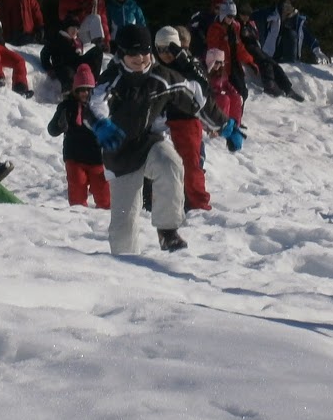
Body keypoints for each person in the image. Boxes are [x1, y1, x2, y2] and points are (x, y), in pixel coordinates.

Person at [88, 23, 242, 254]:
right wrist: (101, 124)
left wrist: (226, 125)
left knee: (171, 164)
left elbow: (196, 99)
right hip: (119, 151)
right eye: (133, 54)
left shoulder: (162, 77)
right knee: (123, 226)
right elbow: (94, 103)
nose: (140, 59)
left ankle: (167, 231)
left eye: (144, 52)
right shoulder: (113, 78)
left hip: (150, 142)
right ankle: (124, 267)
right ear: (121, 54)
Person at [154, 25, 215, 211]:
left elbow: (203, 87)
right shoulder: (159, 66)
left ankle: (197, 201)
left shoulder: (189, 63)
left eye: (169, 49)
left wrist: (183, 58)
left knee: (190, 163)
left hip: (187, 119)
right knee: (164, 162)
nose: (165, 54)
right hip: (163, 118)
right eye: (161, 50)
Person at [47, 64, 111, 209]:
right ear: (75, 90)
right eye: (80, 90)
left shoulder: (101, 106)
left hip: (97, 159)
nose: (84, 93)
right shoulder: (66, 107)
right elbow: (52, 130)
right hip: (74, 157)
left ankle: (104, 223)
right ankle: (77, 222)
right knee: (77, 193)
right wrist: (59, 124)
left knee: (104, 196)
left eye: (88, 90)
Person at [41, 16, 101, 92]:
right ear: (67, 28)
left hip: (75, 62)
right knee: (68, 74)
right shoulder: (57, 39)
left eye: (77, 28)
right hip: (63, 66)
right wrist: (49, 68)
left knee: (96, 51)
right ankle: (68, 94)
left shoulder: (76, 41)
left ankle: (92, 83)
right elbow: (44, 54)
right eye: (73, 27)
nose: (75, 30)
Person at [262, 0, 324, 66]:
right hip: (270, 54)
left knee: (291, 34)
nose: (287, 8)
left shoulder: (297, 22)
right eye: (286, 4)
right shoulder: (273, 16)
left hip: (289, 58)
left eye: (290, 5)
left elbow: (308, 37)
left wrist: (317, 50)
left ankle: (289, 64)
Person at [204, 47, 243, 124]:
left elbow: (226, 84)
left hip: (219, 95)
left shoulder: (221, 73)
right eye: (217, 62)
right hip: (209, 98)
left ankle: (234, 124)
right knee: (225, 99)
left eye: (221, 62)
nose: (219, 65)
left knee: (236, 98)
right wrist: (218, 92)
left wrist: (234, 92)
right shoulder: (204, 72)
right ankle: (222, 123)